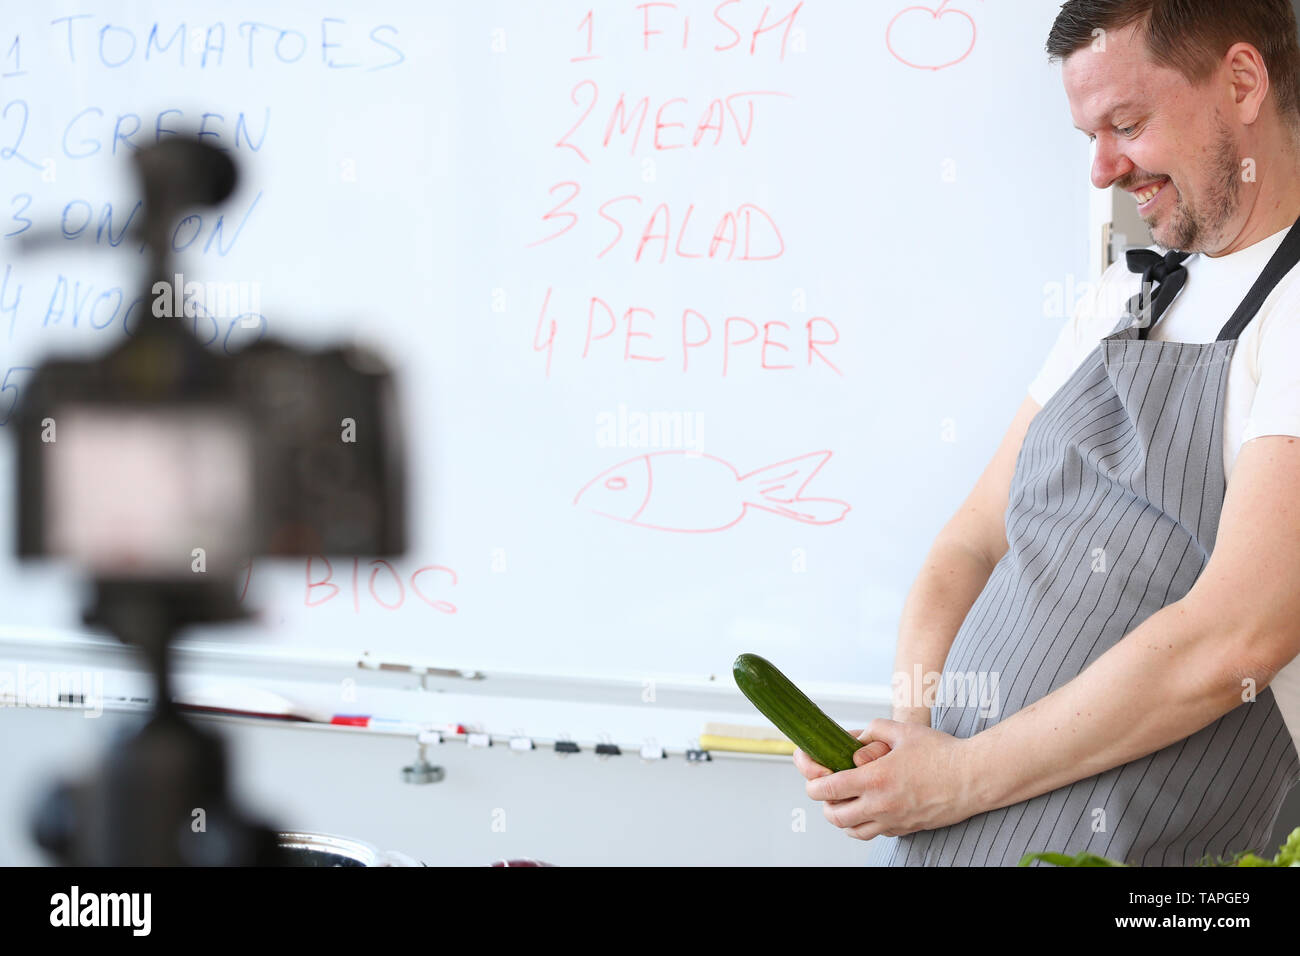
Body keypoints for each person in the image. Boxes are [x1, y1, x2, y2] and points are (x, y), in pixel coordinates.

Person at [795, 0, 1300, 866]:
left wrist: (955, 780)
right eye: (1089, 135)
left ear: (1244, 81)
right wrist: (911, 740)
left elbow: (1235, 639)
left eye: (1127, 124)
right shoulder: (1126, 297)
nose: (1103, 169)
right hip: (949, 830)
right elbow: (968, 544)